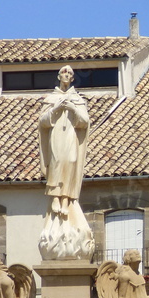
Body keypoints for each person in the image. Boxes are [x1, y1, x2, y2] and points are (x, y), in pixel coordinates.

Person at [38, 65, 89, 219]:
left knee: (71, 161)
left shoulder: (78, 99)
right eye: (64, 72)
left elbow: (85, 122)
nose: (66, 75)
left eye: (70, 73)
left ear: (72, 78)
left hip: (71, 136)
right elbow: (42, 122)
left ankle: (66, 199)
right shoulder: (51, 99)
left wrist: (73, 109)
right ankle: (55, 197)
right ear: (59, 76)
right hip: (56, 134)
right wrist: (55, 109)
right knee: (56, 160)